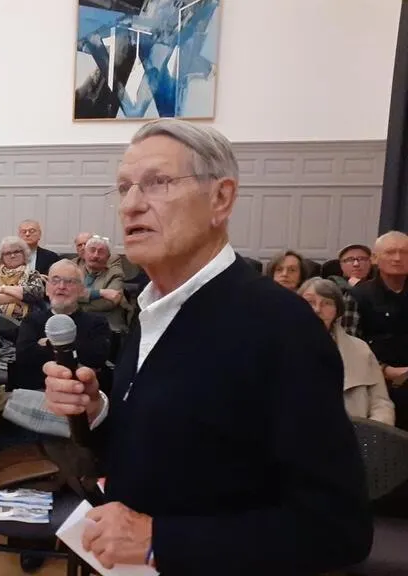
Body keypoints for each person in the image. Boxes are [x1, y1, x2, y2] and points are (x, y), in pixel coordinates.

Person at [43, 119, 371, 574]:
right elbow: (164, 445)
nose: (132, 205)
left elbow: (338, 529)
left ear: (221, 198)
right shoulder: (153, 307)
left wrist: (159, 542)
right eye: (123, 188)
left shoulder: (281, 325)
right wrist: (95, 409)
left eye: (157, 183)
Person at [299, 278, 394, 424]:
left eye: (327, 303)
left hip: (355, 438)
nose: (317, 309)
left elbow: (381, 404)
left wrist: (369, 438)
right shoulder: (279, 347)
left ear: (337, 311)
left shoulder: (360, 349)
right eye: (310, 302)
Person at [17, 259, 111, 392]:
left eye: (70, 281)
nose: (61, 286)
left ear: (81, 290)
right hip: (38, 393)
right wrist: (74, 348)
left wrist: (48, 343)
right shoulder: (32, 320)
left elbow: (95, 357)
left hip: (81, 394)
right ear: (47, 289)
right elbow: (24, 357)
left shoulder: (97, 323)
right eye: (55, 280)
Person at [353, 231, 408, 429]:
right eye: (390, 252)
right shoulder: (358, 296)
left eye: (404, 252)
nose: (398, 258)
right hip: (375, 382)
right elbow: (350, 348)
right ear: (375, 258)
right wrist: (387, 371)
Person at [0, 236, 45, 322]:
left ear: (24, 254)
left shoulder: (32, 274)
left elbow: (36, 293)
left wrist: (3, 289)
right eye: (8, 253)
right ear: (2, 257)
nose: (12, 255)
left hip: (26, 323)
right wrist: (18, 297)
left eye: (17, 252)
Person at [77, 235, 129, 333]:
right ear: (84, 254)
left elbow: (108, 303)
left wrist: (76, 302)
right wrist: (100, 293)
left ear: (108, 257)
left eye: (101, 252)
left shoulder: (115, 274)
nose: (96, 255)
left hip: (107, 327)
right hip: (77, 324)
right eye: (92, 250)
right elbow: (66, 293)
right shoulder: (73, 271)